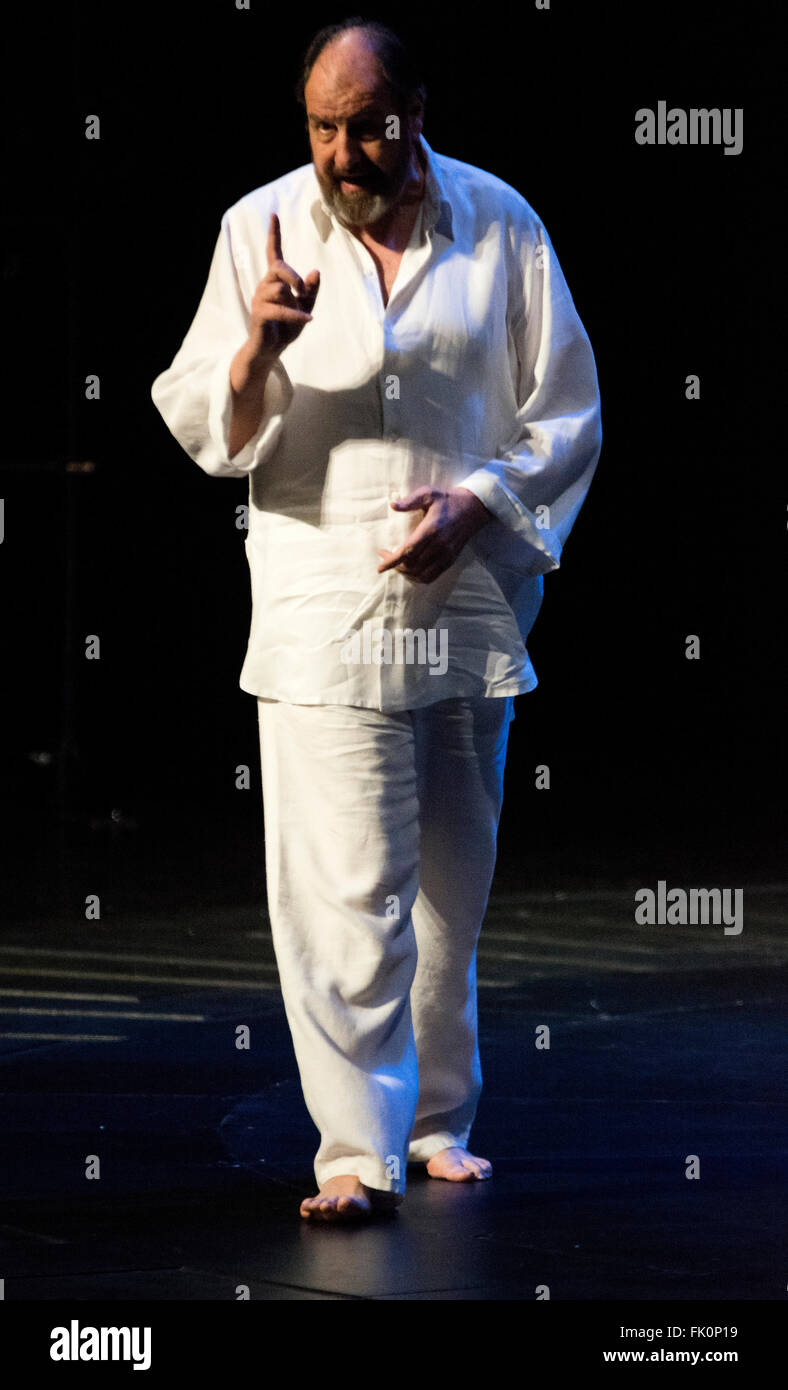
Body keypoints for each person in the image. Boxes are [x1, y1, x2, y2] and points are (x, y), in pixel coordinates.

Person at [151, 17, 602, 1223]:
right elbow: (206, 422)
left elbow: (564, 414)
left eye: (366, 127)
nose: (341, 153)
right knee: (345, 893)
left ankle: (439, 1119)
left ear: (414, 113)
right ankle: (355, 1148)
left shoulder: (498, 222)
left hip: (463, 607)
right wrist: (259, 349)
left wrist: (477, 501)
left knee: (450, 894)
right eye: (320, 128)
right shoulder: (263, 226)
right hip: (322, 614)